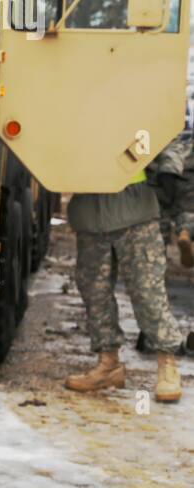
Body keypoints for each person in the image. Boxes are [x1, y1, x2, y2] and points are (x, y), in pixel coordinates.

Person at [64, 143, 184, 403]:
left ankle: (167, 365)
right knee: (95, 293)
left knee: (147, 292)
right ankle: (108, 364)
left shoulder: (135, 102)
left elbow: (166, 134)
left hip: (135, 210)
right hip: (90, 212)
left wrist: (168, 169)